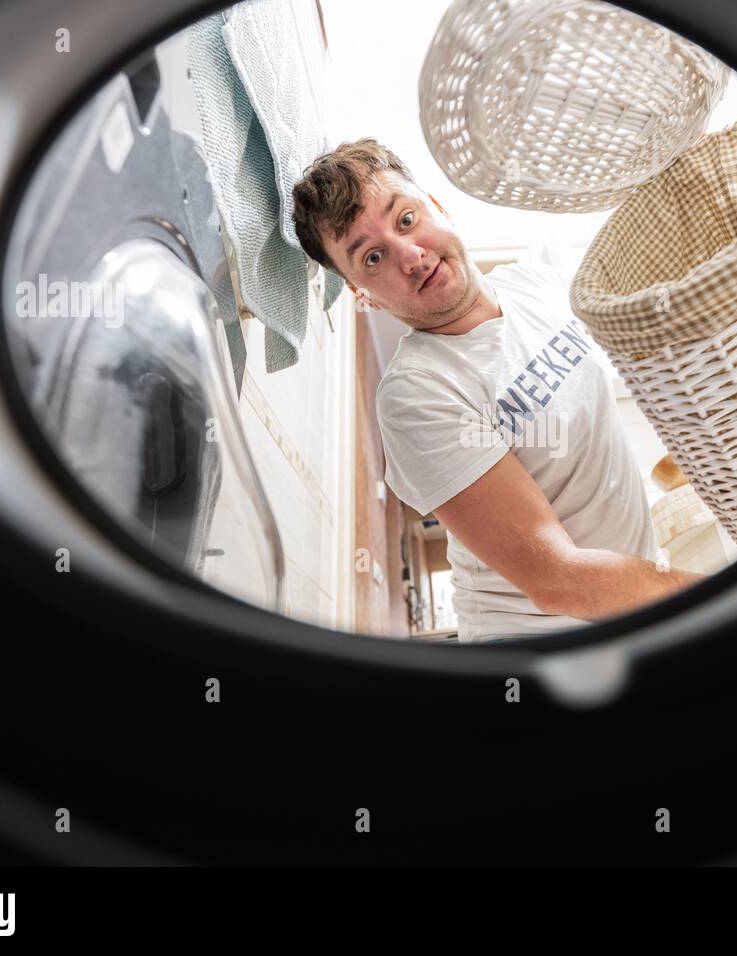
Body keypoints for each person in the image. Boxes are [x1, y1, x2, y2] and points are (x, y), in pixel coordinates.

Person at [291, 138, 704, 642]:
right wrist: (718, 598)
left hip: (629, 601)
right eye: (373, 257)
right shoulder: (417, 395)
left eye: (406, 219)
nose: (411, 256)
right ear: (362, 294)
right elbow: (559, 580)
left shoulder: (540, 285)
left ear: (437, 207)